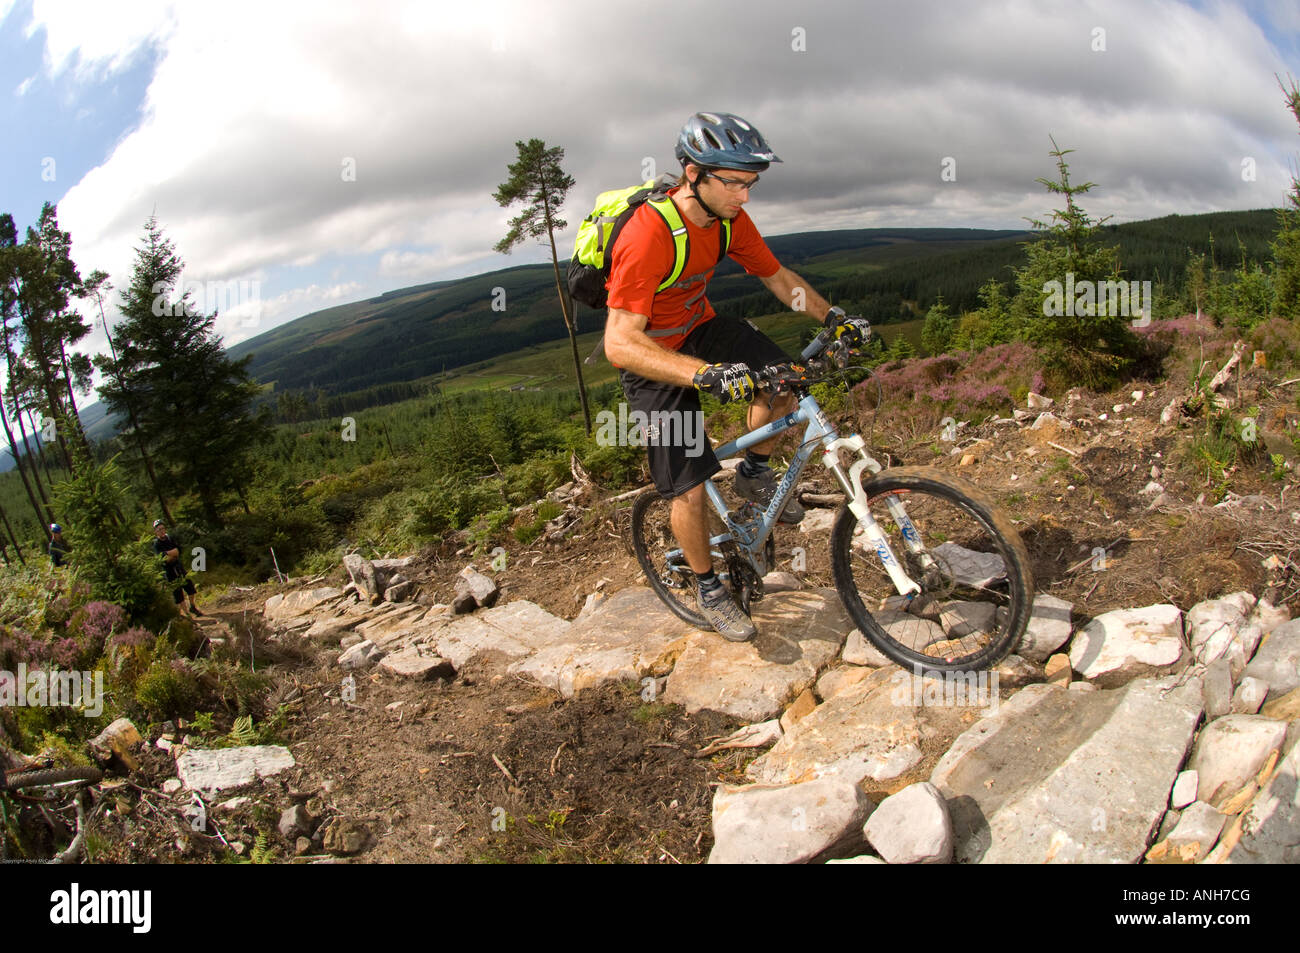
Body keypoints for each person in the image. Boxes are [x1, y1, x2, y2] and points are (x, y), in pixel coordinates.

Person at [604, 111, 869, 642]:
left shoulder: (728, 221)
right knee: (690, 485)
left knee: (787, 380)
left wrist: (832, 317)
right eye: (733, 183)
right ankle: (707, 587)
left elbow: (776, 277)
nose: (744, 197)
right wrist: (703, 375)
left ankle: (752, 468)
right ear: (693, 174)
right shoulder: (648, 235)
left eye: (751, 184)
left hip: (701, 330)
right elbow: (619, 343)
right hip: (652, 358)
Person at [151, 519, 203, 618]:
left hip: (178, 567)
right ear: (155, 532)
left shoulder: (169, 538)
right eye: (159, 530)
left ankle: (192, 607)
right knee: (178, 594)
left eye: (162, 528)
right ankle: (187, 614)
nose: (161, 531)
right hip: (169, 571)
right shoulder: (156, 544)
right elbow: (161, 557)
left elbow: (178, 550)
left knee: (190, 587)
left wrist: (169, 554)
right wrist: (172, 553)